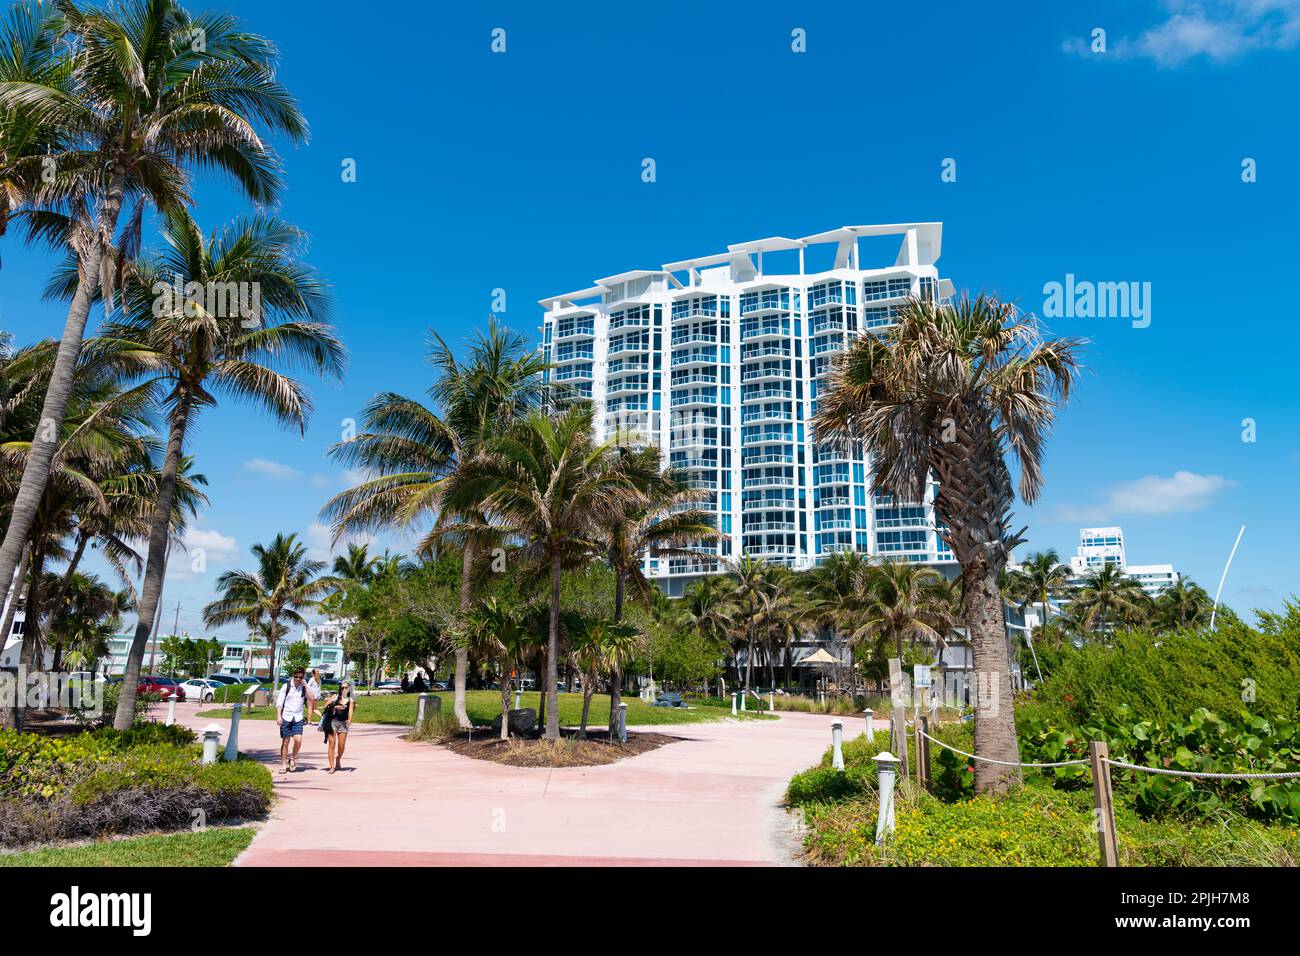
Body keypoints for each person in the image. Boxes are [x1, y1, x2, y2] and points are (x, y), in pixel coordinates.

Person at [276, 669, 310, 773]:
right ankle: (283, 763)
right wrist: (278, 717)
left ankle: (293, 759)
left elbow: (312, 699)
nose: (298, 679)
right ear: (293, 676)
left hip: (298, 717)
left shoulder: (304, 688)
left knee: (298, 740)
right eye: (296, 677)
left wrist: (307, 686)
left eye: (300, 677)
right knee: (286, 741)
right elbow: (279, 703)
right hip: (286, 716)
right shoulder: (286, 686)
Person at [325, 679, 357, 774]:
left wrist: (350, 719)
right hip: (333, 721)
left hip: (343, 723)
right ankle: (331, 767)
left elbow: (351, 710)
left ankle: (338, 758)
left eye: (346, 688)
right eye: (342, 688)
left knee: (341, 746)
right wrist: (334, 706)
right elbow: (325, 706)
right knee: (331, 744)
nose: (344, 689)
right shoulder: (335, 697)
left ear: (349, 688)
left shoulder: (351, 699)